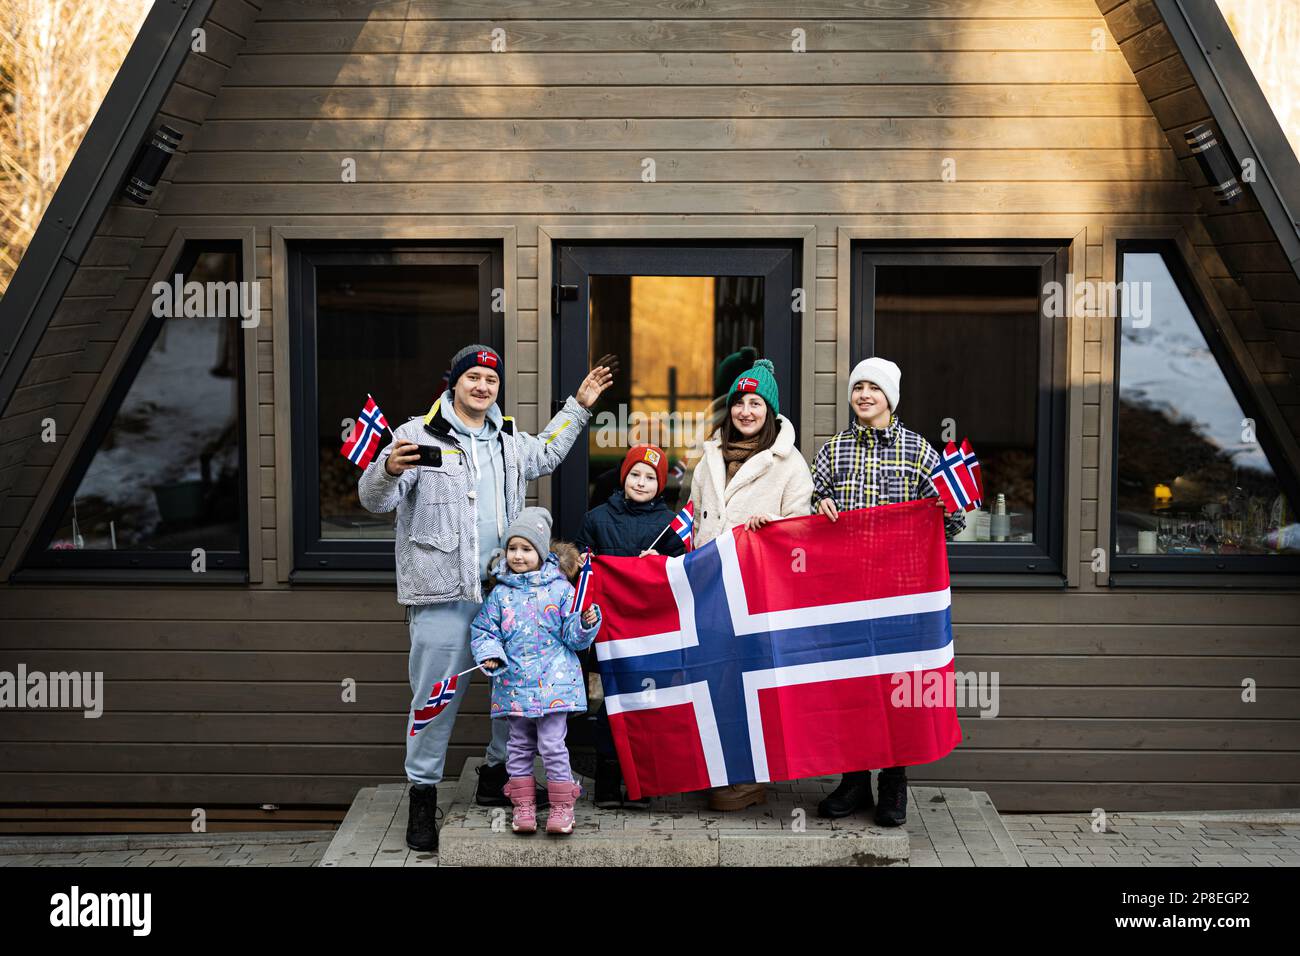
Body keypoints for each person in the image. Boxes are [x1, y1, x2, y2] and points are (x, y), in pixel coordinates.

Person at [358, 344, 615, 851]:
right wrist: (386, 469)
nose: (482, 386)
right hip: (441, 595)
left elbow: (547, 451)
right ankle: (423, 796)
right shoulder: (415, 434)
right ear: (453, 382)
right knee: (434, 698)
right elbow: (373, 501)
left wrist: (579, 406)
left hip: (508, 594)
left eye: (490, 380)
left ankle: (497, 779)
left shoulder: (508, 440)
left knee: (516, 691)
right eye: (472, 377)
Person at [811, 356, 964, 827]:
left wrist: (943, 506)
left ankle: (893, 784)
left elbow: (953, 523)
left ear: (890, 397)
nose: (864, 395)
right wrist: (820, 503)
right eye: (858, 387)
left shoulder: (919, 451)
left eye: (873, 388)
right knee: (853, 684)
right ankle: (854, 781)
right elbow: (804, 508)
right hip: (845, 592)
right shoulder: (832, 451)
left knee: (899, 687)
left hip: (901, 593)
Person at [687, 357, 815, 811]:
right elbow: (693, 519)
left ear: (770, 411)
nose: (745, 411)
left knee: (751, 684)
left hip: (759, 594)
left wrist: (776, 525)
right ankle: (720, 769)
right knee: (716, 680)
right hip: (710, 591)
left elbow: (803, 530)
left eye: (755, 403)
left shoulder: (790, 464)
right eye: (739, 402)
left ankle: (750, 777)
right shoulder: (708, 459)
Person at [471, 507, 602, 835]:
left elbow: (572, 636)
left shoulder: (560, 589)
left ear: (541, 553)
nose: (518, 555)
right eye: (512, 548)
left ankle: (561, 807)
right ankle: (524, 806)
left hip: (554, 686)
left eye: (526, 549)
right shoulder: (500, 593)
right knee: (518, 746)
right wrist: (490, 654)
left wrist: (586, 624)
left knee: (553, 745)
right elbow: (484, 631)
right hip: (515, 685)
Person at [575, 443, 685, 808]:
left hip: (651, 631)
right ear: (624, 477)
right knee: (611, 706)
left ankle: (644, 781)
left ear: (661, 483)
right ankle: (607, 780)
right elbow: (581, 569)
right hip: (610, 630)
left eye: (650, 477)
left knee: (648, 705)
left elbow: (685, 573)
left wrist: (660, 563)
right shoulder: (597, 518)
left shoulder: (666, 525)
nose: (641, 482)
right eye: (635, 474)